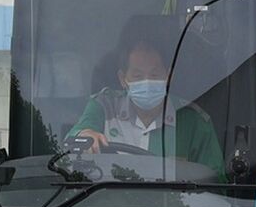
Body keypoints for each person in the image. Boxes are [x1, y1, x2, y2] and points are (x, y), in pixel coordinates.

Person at [68, 37, 223, 171]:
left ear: (169, 76)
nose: (147, 81)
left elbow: (214, 185)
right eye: (137, 75)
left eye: (154, 75)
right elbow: (76, 137)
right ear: (123, 79)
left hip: (174, 205)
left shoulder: (193, 120)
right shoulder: (103, 106)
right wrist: (86, 135)